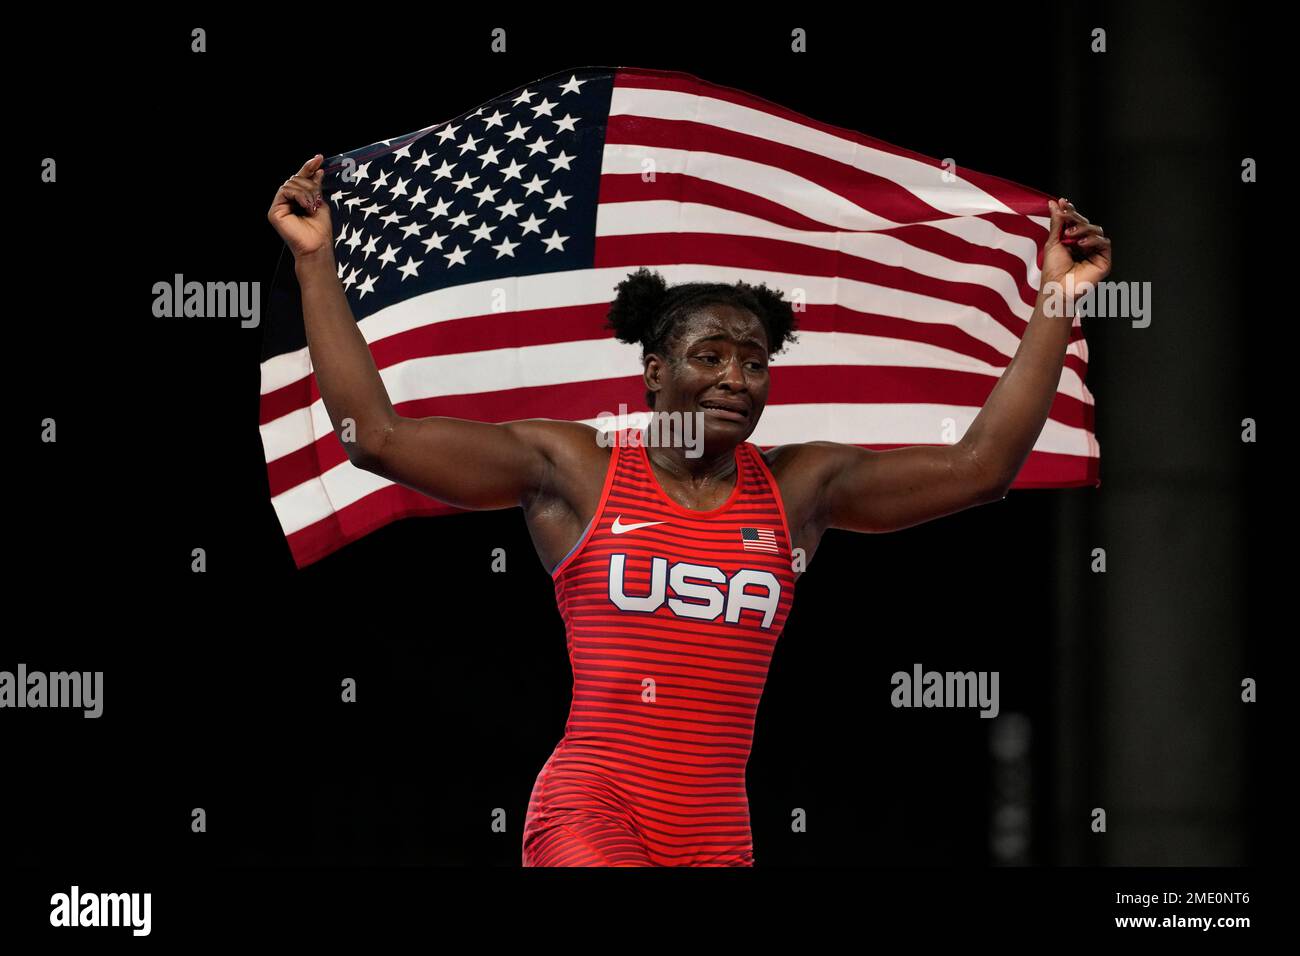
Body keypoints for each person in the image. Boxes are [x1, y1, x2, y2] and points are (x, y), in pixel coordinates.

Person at [268, 153, 1112, 865]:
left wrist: (1058, 300)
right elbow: (374, 437)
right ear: (654, 373)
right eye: (708, 355)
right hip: (590, 811)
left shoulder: (798, 487)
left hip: (718, 832)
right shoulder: (574, 466)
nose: (735, 378)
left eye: (753, 361)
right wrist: (315, 263)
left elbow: (983, 465)